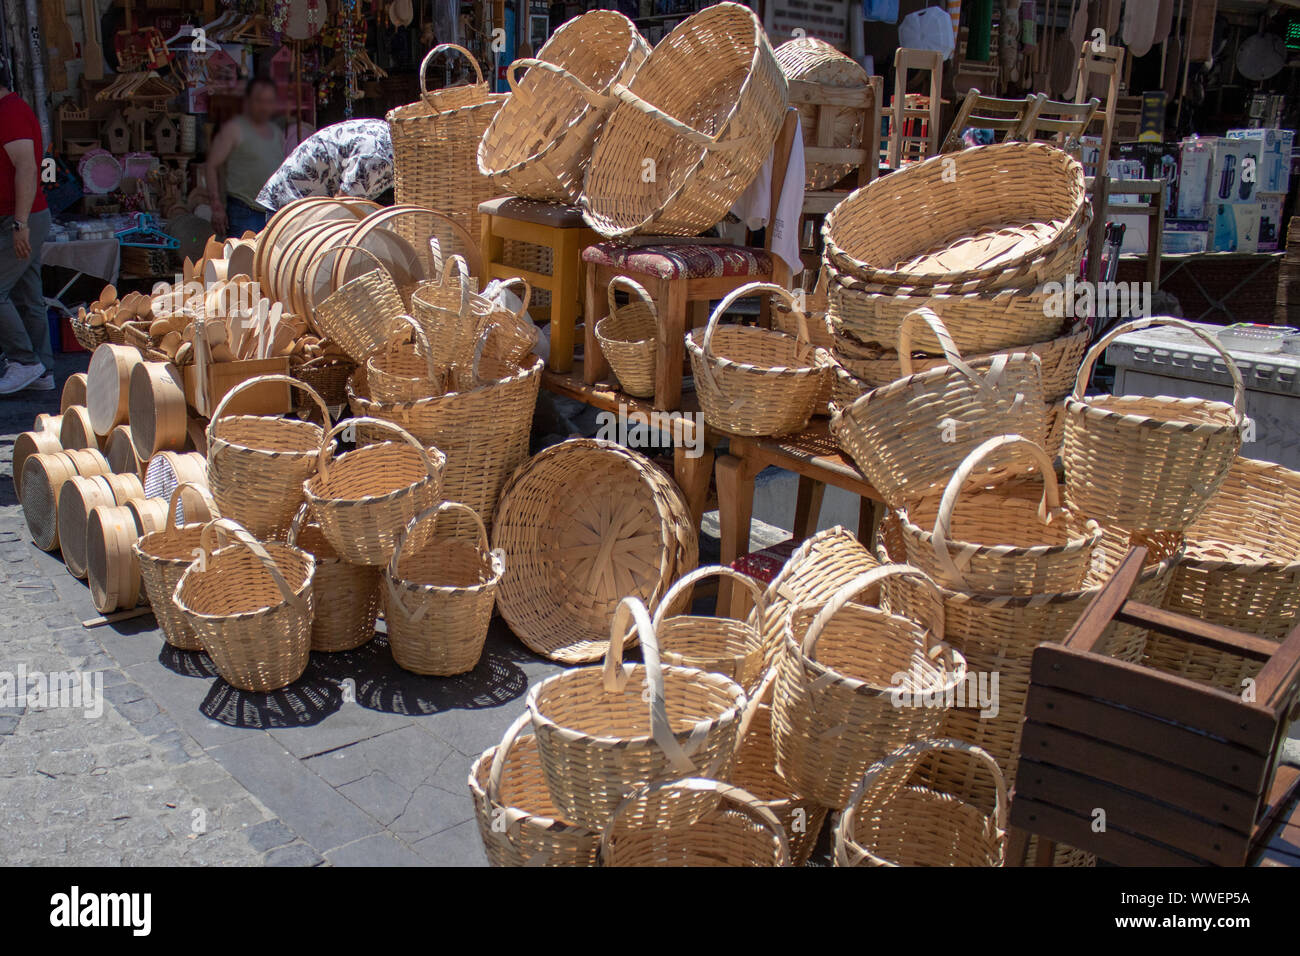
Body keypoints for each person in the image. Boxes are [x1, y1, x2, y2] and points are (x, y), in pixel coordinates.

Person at [0, 71, 54, 395]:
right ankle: (44, 370)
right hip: (20, 218)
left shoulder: (10, 111)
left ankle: (24, 361)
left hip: (22, 219)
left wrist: (20, 225)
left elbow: (27, 168)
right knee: (28, 296)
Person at [204, 77, 285, 237]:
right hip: (244, 212)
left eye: (269, 101)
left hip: (274, 213)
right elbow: (211, 166)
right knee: (243, 261)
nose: (264, 107)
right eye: (259, 101)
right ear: (248, 102)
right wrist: (216, 206)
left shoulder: (276, 132)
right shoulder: (234, 129)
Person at [256, 118, 393, 211]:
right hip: (291, 205)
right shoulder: (379, 155)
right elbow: (344, 207)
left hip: (311, 205)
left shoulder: (393, 136)